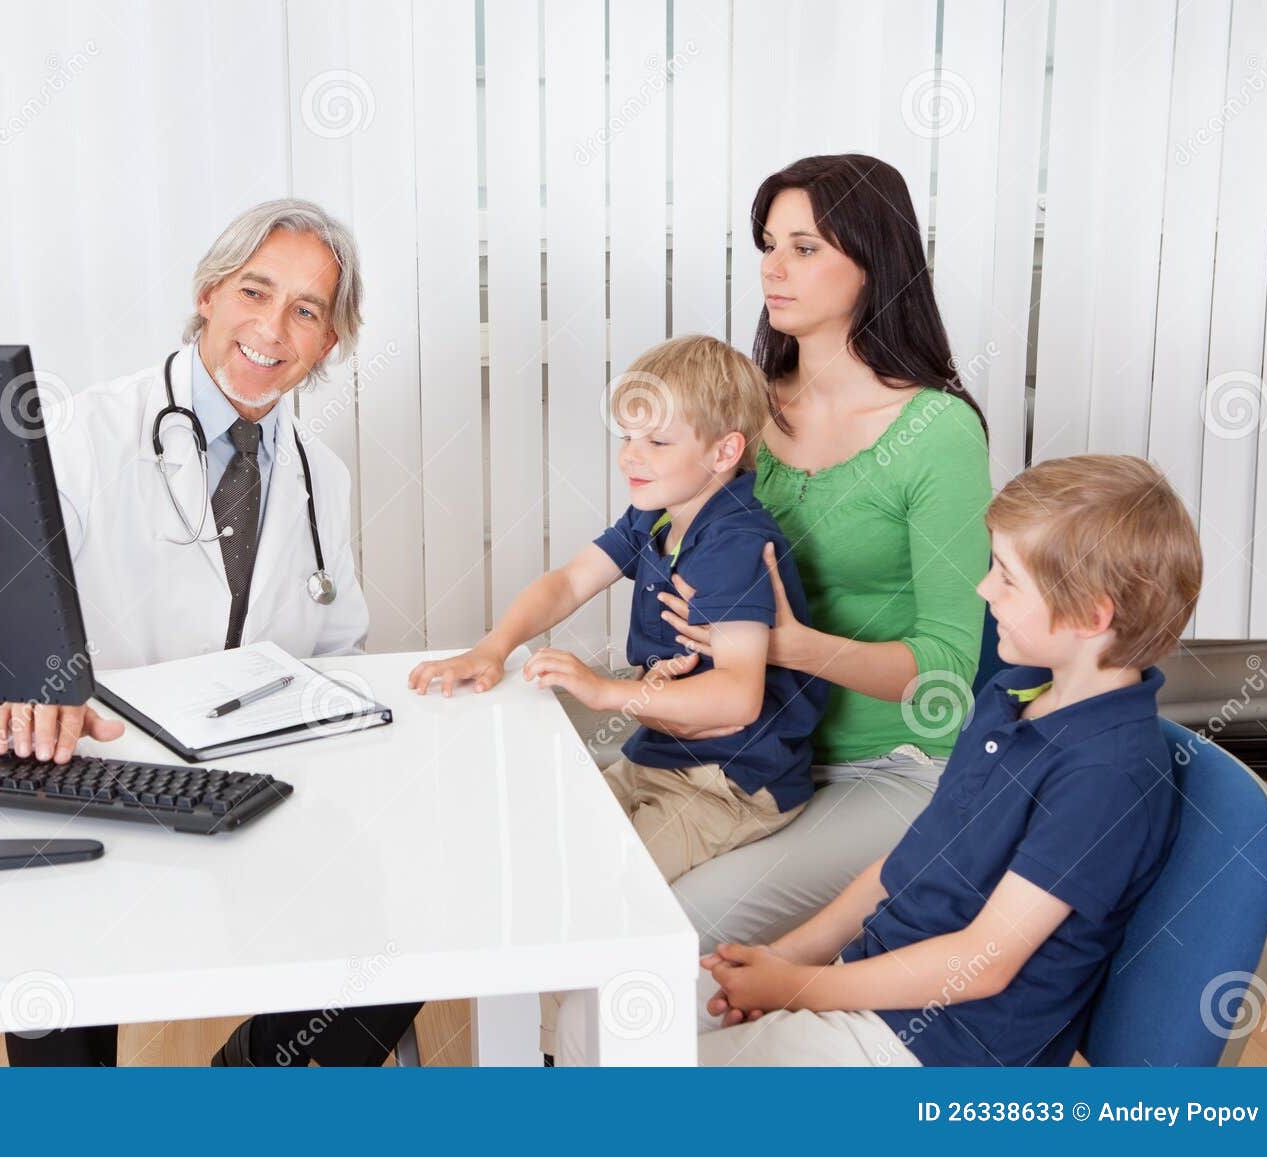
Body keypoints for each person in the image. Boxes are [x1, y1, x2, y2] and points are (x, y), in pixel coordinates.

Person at [562, 452, 1201, 1065]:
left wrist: (798, 991)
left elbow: (984, 959)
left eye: (1007, 576)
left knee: (636, 1072)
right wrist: (784, 961)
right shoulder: (1012, 696)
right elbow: (907, 861)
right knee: (597, 1020)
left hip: (932, 1053)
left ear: (1092, 615)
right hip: (864, 988)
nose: (983, 588)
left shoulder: (1107, 775)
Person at [0, 198, 416, 1068]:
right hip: (94, 782)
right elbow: (0, 604)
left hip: (253, 793)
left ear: (328, 342)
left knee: (404, 938)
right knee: (62, 995)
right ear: (209, 293)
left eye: (307, 311)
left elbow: (340, 650)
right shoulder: (83, 433)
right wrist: (33, 685)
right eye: (255, 293)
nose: (273, 329)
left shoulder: (316, 476)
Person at [645, 154, 992, 956]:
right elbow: (667, 546)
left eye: (805, 247)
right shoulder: (745, 402)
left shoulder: (937, 433)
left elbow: (947, 664)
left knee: (674, 924)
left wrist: (790, 643)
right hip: (752, 746)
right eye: (767, 243)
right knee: (585, 858)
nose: (773, 267)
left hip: (889, 764)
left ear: (875, 261)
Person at [410, 334, 828, 882]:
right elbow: (567, 583)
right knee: (539, 839)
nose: (630, 456)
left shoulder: (734, 544)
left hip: (730, 782)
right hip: (658, 754)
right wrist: (494, 647)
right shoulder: (655, 515)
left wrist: (604, 692)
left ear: (724, 452)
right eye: (628, 436)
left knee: (602, 878)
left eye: (656, 441)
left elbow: (738, 698)